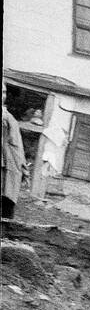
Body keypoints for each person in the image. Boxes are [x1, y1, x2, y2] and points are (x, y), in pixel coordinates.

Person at [2, 85, 27, 222]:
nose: (3, 96)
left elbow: (17, 145)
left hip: (9, 163)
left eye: (4, 92)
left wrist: (22, 166)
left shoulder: (9, 118)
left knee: (6, 199)